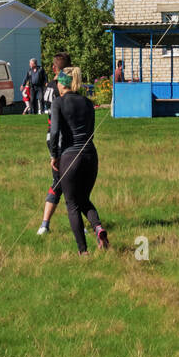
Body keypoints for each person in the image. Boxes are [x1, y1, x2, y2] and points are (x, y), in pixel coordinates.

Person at [46, 67, 108, 255]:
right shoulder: (88, 103)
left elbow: (55, 132)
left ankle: (83, 251)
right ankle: (98, 228)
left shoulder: (58, 103)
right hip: (91, 156)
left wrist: (54, 155)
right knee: (83, 199)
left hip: (70, 157)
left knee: (72, 204)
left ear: (61, 85)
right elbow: (91, 131)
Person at [37, 52, 71, 234]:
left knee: (58, 180)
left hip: (50, 134)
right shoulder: (63, 86)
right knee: (65, 182)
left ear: (54, 68)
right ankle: (45, 224)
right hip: (62, 137)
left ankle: (44, 225)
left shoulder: (49, 86)